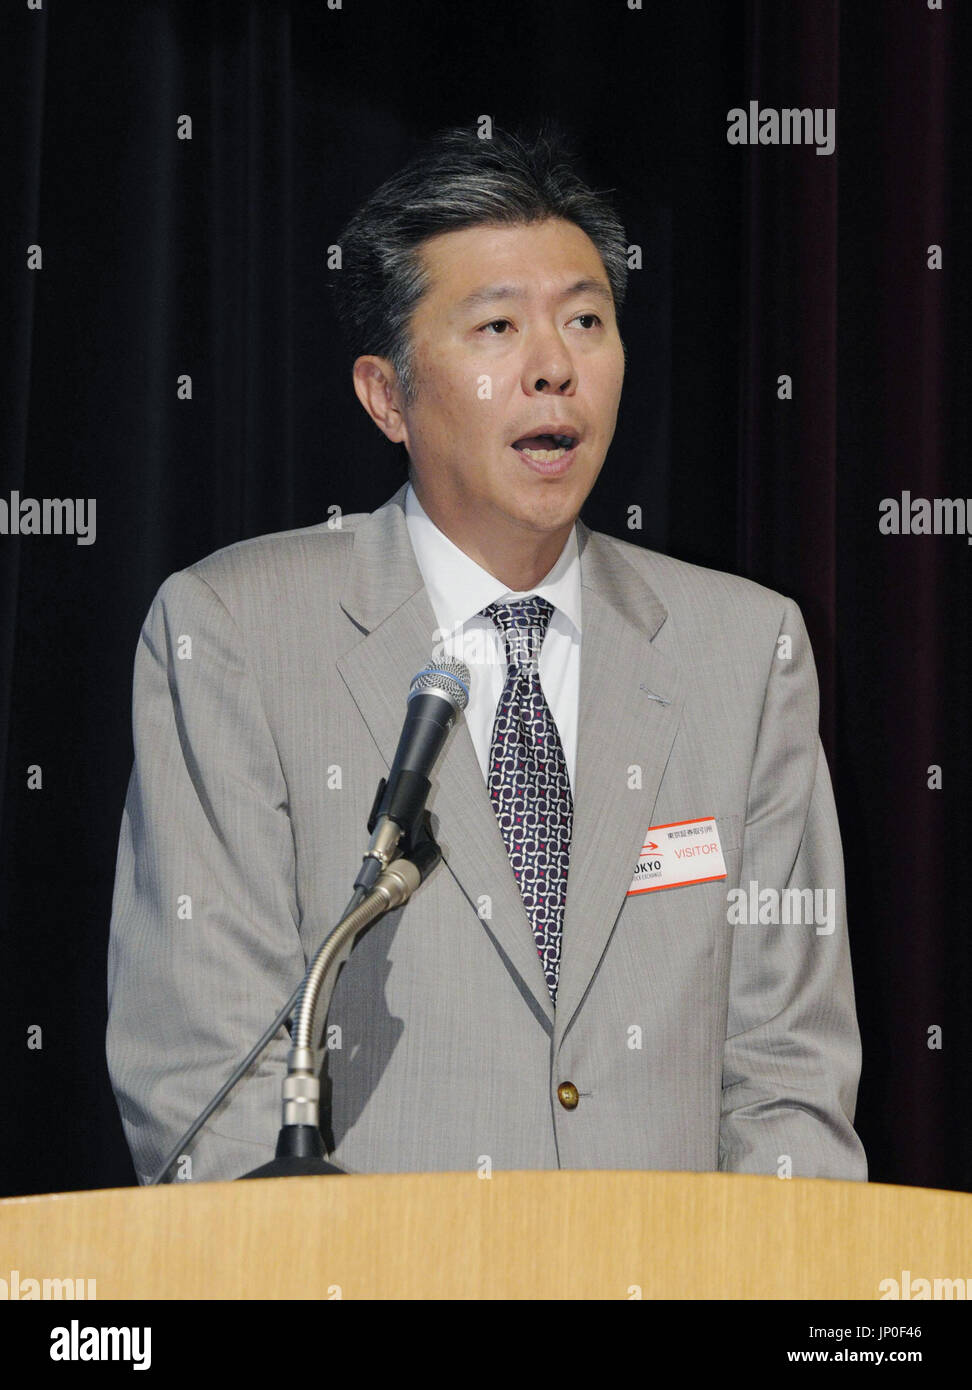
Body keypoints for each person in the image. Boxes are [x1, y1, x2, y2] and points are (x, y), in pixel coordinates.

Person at [106, 126, 867, 1184]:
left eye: (586, 321)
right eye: (498, 326)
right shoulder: (233, 634)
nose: (553, 368)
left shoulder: (743, 650)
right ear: (387, 395)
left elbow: (788, 1075)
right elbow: (208, 1081)